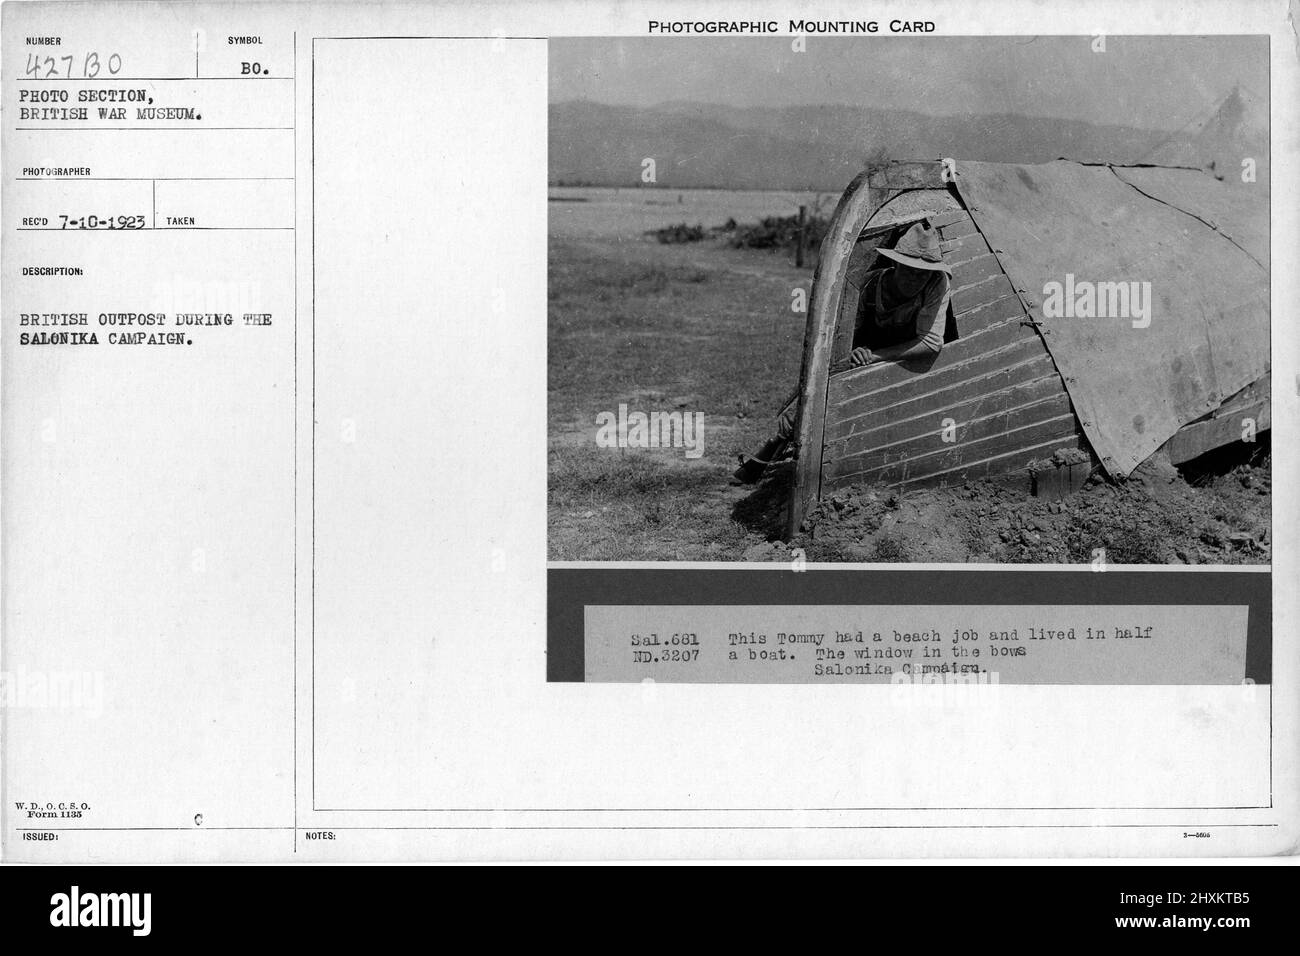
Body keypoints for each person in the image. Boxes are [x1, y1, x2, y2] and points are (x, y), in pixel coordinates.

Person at [733, 221, 952, 484]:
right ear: (896, 265)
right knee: (808, 403)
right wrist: (857, 356)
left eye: (923, 273)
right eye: (910, 271)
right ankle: (774, 448)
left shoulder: (937, 283)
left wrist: (874, 356)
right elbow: (844, 338)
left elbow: (930, 342)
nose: (916, 278)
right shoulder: (870, 287)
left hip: (900, 355)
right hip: (865, 349)